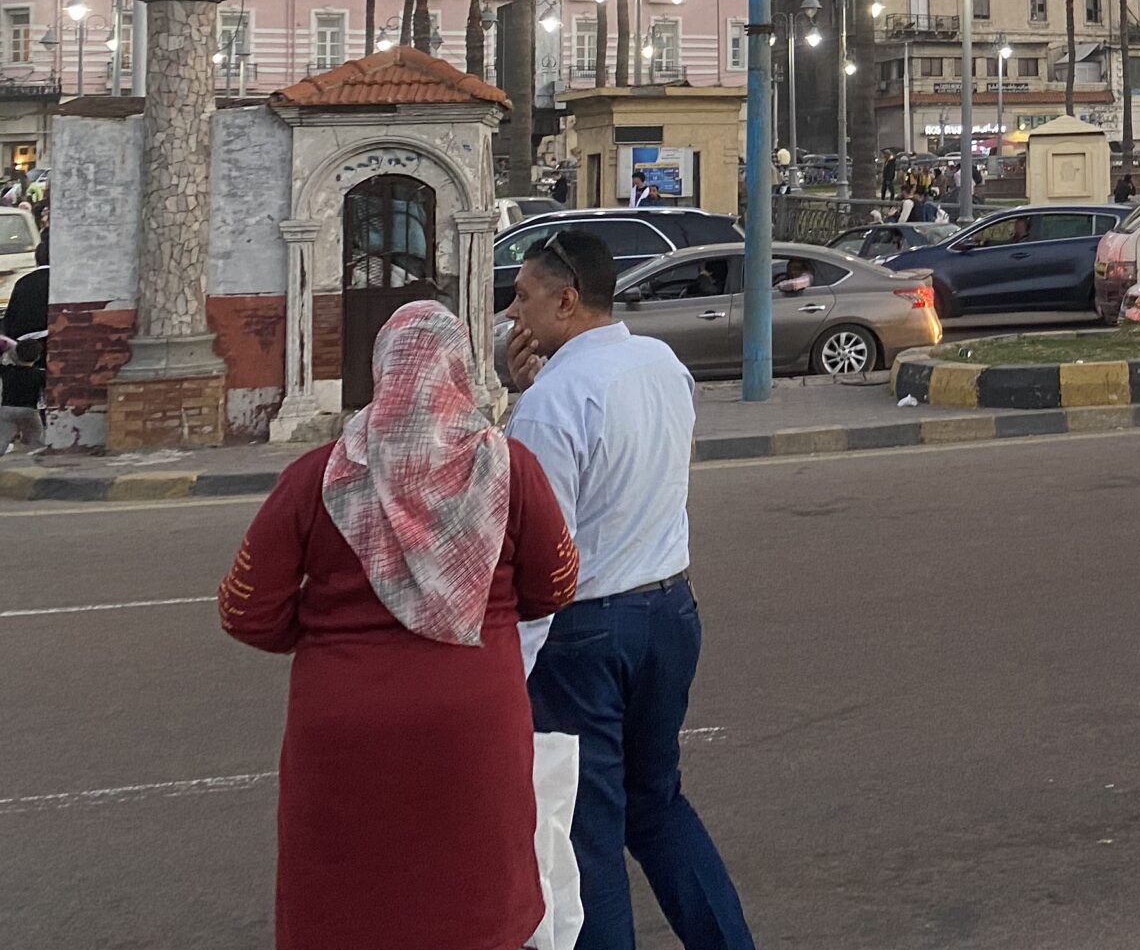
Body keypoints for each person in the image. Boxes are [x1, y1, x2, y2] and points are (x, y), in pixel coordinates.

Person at [219, 303, 580, 950]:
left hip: (342, 734)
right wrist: (482, 613)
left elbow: (246, 610)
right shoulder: (509, 470)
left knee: (348, 911)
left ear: (381, 371)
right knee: (475, 906)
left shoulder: (317, 478)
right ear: (460, 371)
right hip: (474, 729)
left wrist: (330, 635)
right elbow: (555, 585)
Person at [506, 231, 758, 950]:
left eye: (523, 296)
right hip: (670, 610)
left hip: (586, 631)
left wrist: (514, 666)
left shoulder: (551, 404)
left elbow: (541, 554)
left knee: (588, 832)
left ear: (567, 300)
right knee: (657, 803)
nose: (512, 314)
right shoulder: (661, 364)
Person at [0, 259, 44, 453]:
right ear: (37, 357)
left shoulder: (7, 371)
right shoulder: (39, 374)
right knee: (36, 437)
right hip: (29, 411)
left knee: (2, 437)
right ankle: (34, 451)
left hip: (6, 410)